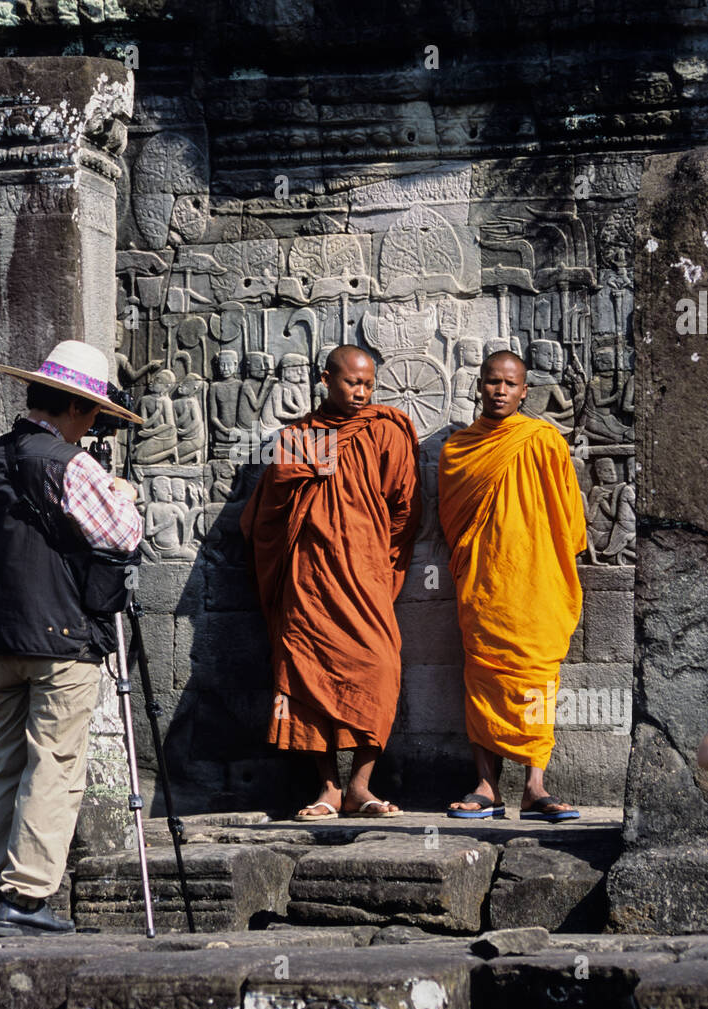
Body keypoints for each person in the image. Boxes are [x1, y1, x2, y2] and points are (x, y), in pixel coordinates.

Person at [0, 340, 143, 937]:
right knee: (54, 764)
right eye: (93, 414)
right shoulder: (69, 464)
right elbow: (122, 536)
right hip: (61, 637)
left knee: (2, 759)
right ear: (79, 410)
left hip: (1, 637)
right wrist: (125, 494)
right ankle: (26, 898)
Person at [240, 345, 421, 818]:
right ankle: (327, 788)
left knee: (381, 669)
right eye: (351, 383)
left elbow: (404, 508)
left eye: (368, 384)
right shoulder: (304, 435)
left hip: (364, 573)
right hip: (309, 581)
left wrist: (382, 563)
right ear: (326, 379)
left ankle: (361, 785)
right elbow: (267, 517)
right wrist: (290, 474)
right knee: (305, 675)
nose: (361, 393)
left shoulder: (384, 429)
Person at [438, 350, 586, 822]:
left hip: (536, 581)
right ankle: (487, 786)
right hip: (485, 582)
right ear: (478, 386)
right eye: (492, 382)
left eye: (510, 383)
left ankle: (535, 787)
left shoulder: (543, 440)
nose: (500, 390)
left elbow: (570, 519)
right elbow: (451, 521)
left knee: (538, 676)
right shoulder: (458, 449)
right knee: (482, 675)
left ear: (525, 391)